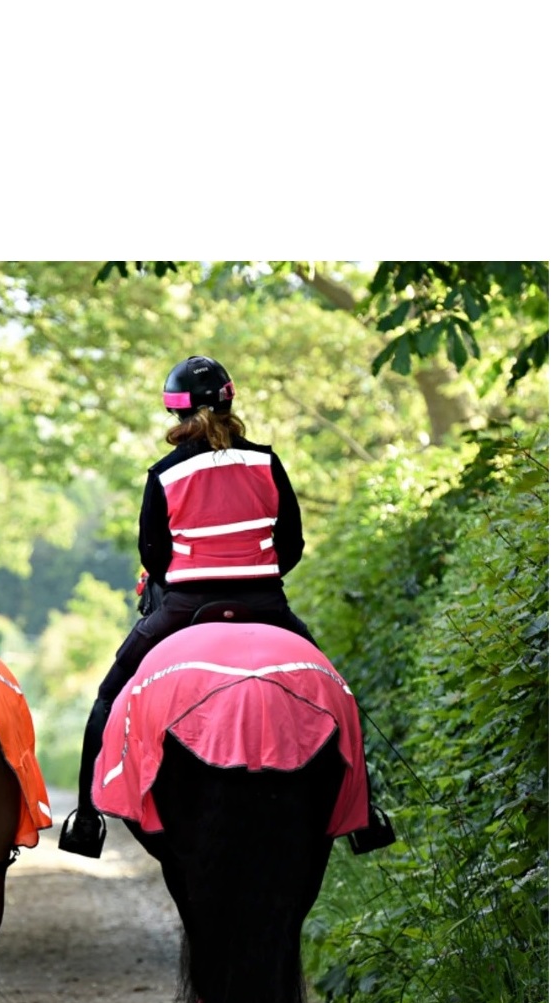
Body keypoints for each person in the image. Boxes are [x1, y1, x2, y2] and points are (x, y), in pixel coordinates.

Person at [60, 354, 394, 858]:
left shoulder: (165, 474)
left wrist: (185, 577)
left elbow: (153, 555)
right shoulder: (266, 462)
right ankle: (365, 818)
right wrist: (256, 572)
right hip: (266, 602)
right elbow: (293, 543)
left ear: (175, 413)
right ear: (230, 399)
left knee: (109, 696)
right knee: (336, 691)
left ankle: (86, 821)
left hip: (182, 607)